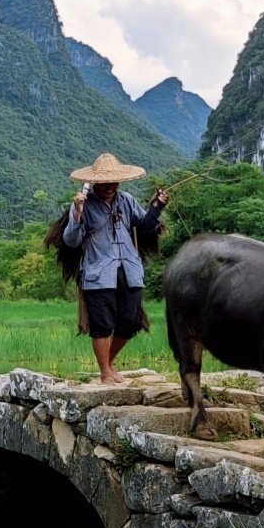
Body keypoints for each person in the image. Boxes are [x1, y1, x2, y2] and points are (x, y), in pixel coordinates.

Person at [62, 154, 169, 384]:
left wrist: (157, 207)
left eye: (114, 183)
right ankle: (104, 373)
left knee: (130, 322)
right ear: (97, 183)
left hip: (129, 270)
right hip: (98, 273)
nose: (110, 187)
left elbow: (145, 225)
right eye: (105, 183)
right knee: (102, 325)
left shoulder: (127, 201)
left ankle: (108, 363)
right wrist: (78, 212)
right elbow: (71, 240)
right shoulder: (83, 204)